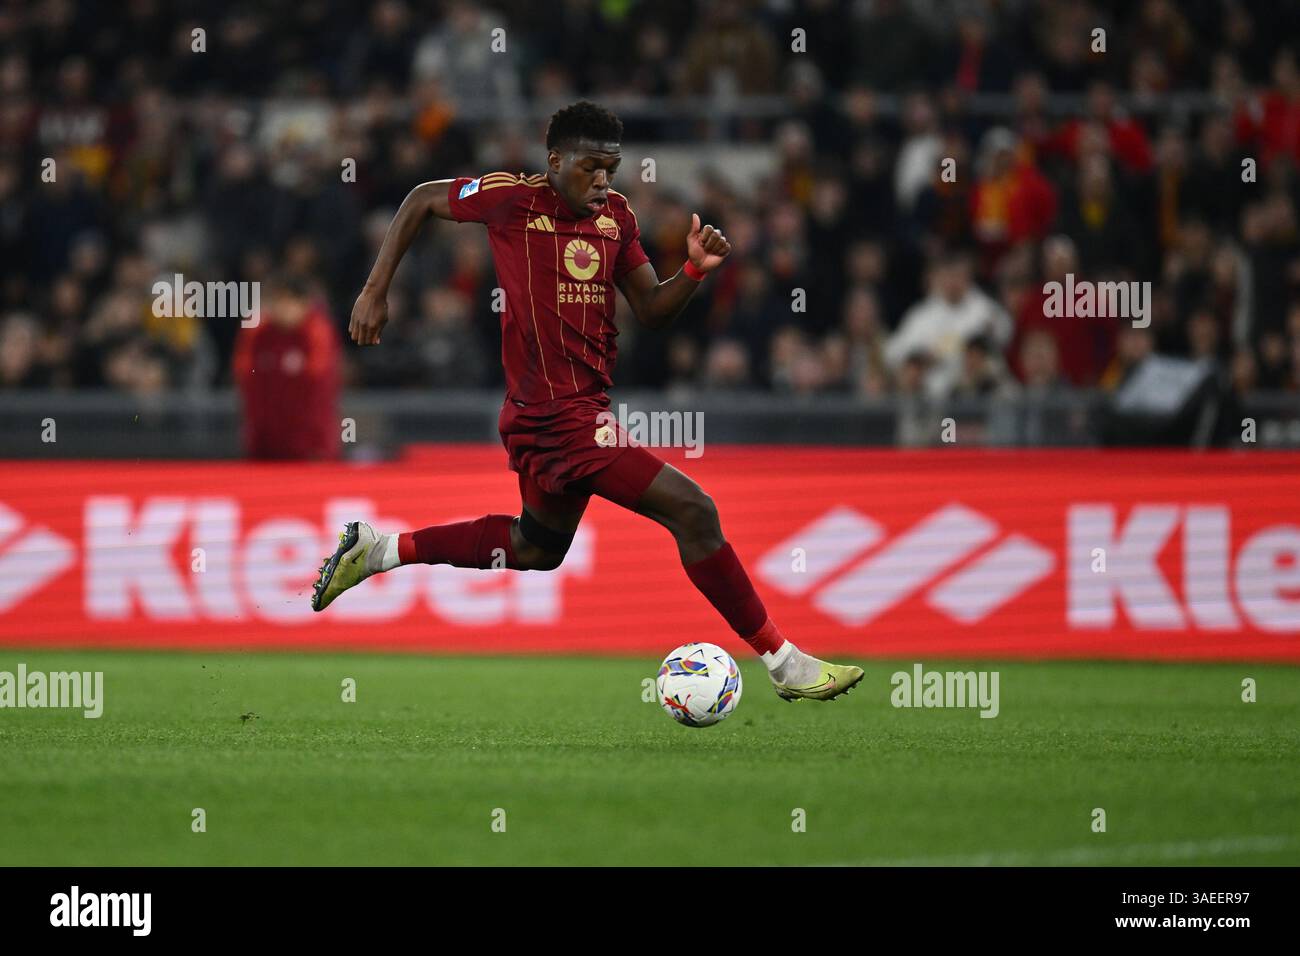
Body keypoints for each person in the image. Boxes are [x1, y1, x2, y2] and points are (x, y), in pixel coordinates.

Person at [312, 101, 862, 702]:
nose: (603, 181)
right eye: (591, 167)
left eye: (612, 168)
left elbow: (650, 308)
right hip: (556, 416)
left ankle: (378, 550)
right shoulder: (511, 200)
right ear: (555, 162)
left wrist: (695, 272)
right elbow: (421, 198)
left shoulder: (617, 218)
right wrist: (374, 291)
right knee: (695, 510)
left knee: (535, 548)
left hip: (578, 411)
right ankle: (785, 664)